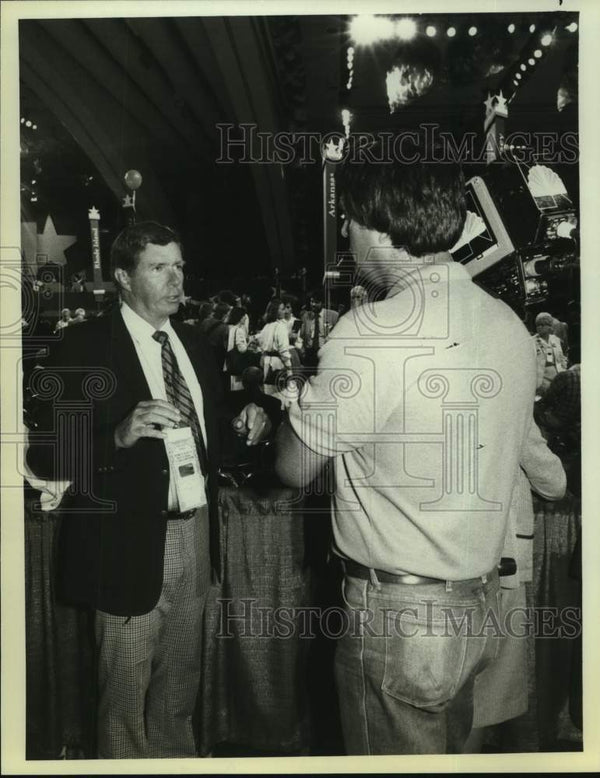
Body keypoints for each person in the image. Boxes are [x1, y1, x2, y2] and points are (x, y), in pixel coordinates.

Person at [274, 141, 537, 754]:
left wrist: (298, 408)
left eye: (351, 218)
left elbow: (292, 467)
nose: (344, 230)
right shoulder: (507, 324)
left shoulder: (371, 331)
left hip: (401, 617)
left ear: (381, 226)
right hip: (481, 604)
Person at [26, 221, 271, 759]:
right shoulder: (87, 344)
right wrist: (117, 434)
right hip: (124, 544)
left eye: (179, 266)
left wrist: (252, 420)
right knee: (123, 701)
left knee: (178, 695)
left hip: (195, 533)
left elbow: (214, 435)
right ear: (123, 278)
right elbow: (43, 453)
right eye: (159, 267)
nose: (176, 279)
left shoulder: (192, 343)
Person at [464, 418, 566, 752]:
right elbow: (554, 483)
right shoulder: (512, 401)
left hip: (439, 562)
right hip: (502, 562)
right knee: (484, 693)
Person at [258, 298, 293, 397]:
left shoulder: (266, 327)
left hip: (267, 363)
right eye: (282, 309)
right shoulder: (280, 327)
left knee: (269, 394)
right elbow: (283, 351)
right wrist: (289, 368)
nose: (285, 311)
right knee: (281, 395)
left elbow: (261, 345)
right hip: (277, 363)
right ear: (275, 311)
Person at [534, 311, 567, 395]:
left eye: (542, 325)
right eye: (538, 325)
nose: (539, 327)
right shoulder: (532, 342)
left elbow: (561, 357)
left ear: (549, 327)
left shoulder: (556, 340)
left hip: (558, 376)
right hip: (542, 378)